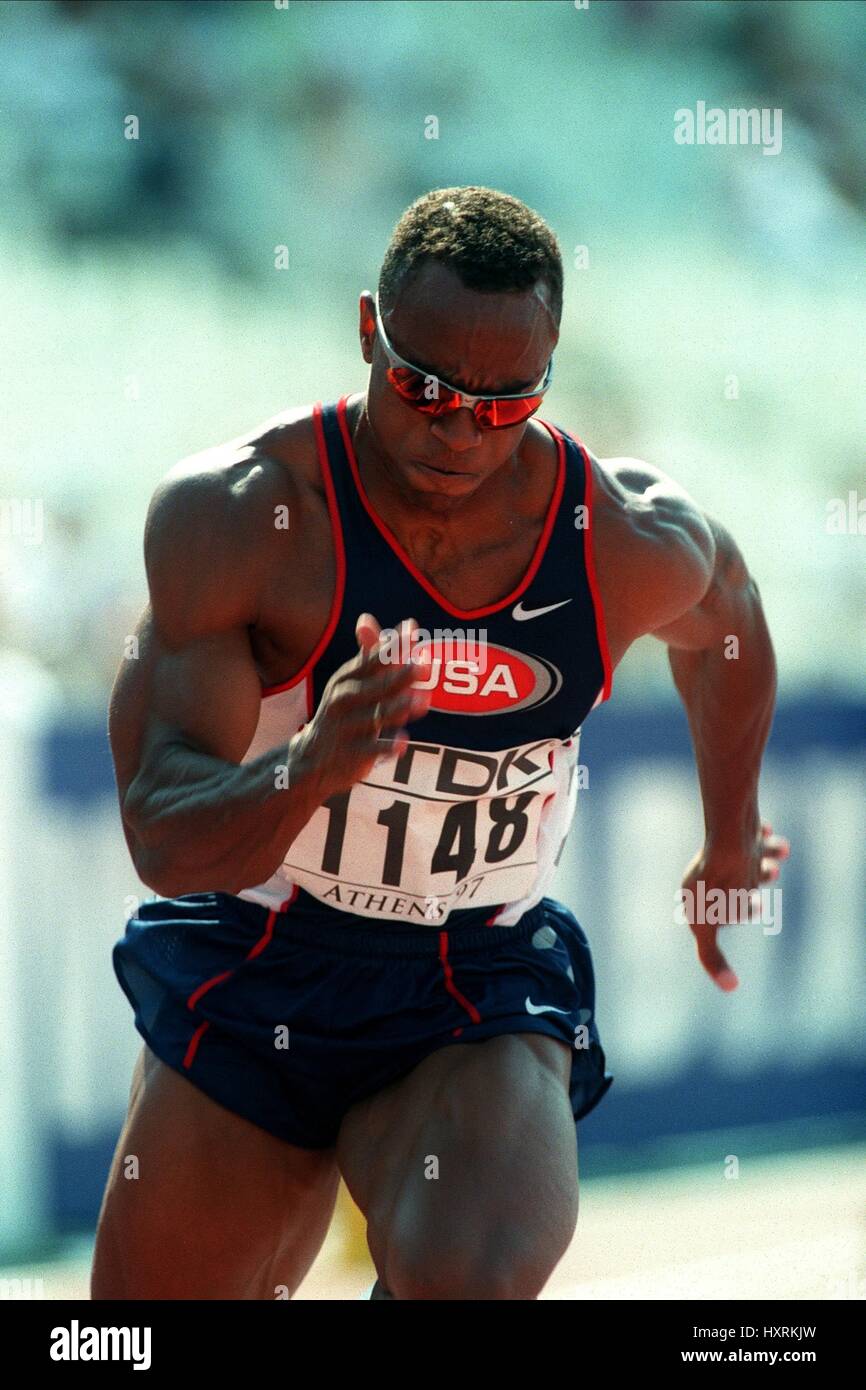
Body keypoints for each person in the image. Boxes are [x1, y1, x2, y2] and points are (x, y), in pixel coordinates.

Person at [93, 185, 789, 1300]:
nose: (457, 428)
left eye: (501, 402)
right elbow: (163, 840)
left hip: (473, 977)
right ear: (369, 330)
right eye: (423, 388)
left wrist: (728, 835)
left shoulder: (616, 535)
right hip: (260, 957)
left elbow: (730, 619)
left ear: (548, 368)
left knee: (471, 1271)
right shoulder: (245, 517)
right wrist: (311, 761)